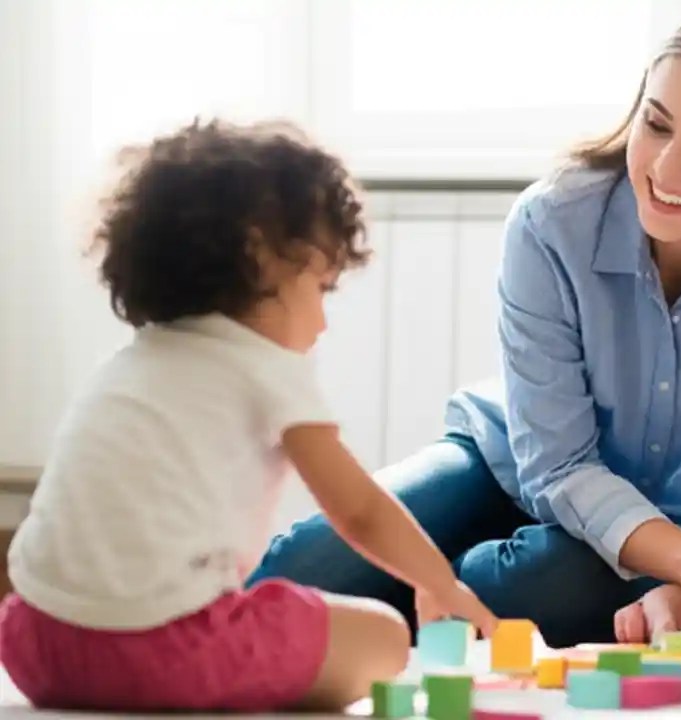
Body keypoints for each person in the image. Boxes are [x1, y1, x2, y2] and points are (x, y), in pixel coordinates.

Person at [249, 0, 681, 649]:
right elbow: (558, 463)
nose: (663, 169)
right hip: (511, 464)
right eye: (655, 125)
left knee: (509, 593)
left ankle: (414, 624)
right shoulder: (554, 223)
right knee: (305, 570)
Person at [0, 120, 498, 713]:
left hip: (35, 642)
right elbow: (358, 509)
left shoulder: (132, 361)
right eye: (321, 287)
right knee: (384, 638)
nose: (323, 321)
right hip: (160, 653)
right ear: (259, 256)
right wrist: (438, 583)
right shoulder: (266, 368)